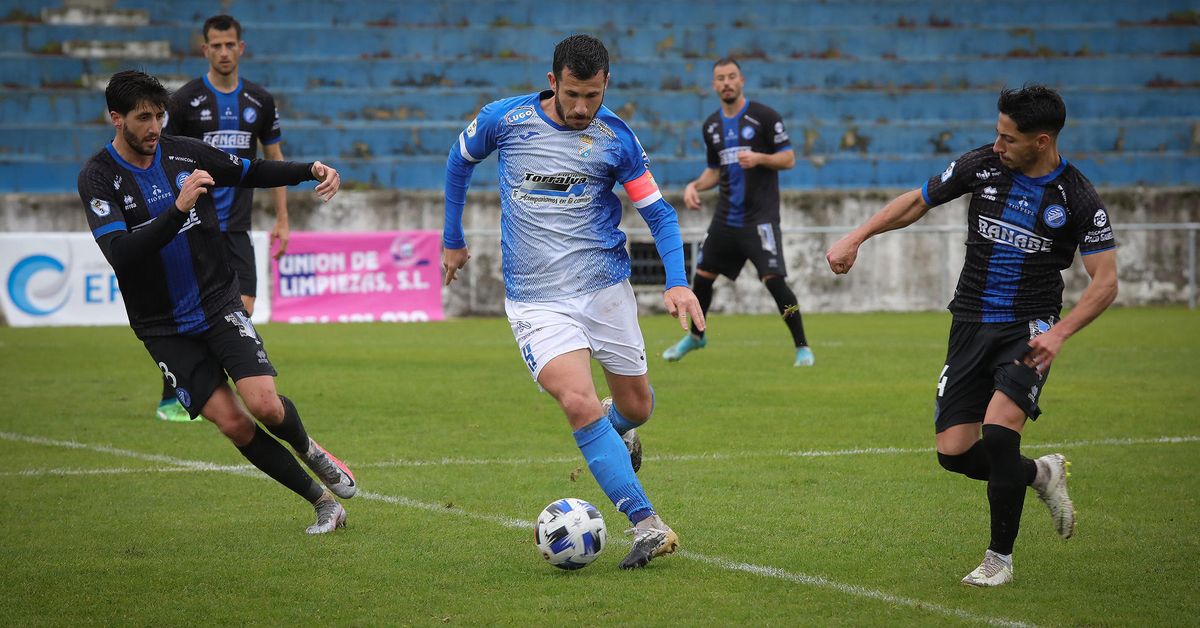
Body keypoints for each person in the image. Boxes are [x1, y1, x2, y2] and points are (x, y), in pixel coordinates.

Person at [826, 84, 1119, 586]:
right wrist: (856, 237)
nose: (998, 145)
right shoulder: (982, 165)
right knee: (953, 452)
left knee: (1000, 434)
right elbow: (916, 202)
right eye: (997, 134)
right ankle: (1039, 475)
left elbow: (1106, 282)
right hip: (968, 323)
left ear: (1042, 140)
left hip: (1029, 329)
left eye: (1008, 138)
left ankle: (998, 559)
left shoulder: (1077, 198)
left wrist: (1061, 333)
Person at [441, 35, 704, 569]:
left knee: (638, 408)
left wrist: (677, 281)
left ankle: (617, 430)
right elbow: (458, 161)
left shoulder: (617, 139)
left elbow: (661, 215)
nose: (583, 107)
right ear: (552, 80)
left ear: (606, 83)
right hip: (536, 301)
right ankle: (647, 523)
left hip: (605, 289)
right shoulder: (504, 120)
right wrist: (452, 237)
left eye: (593, 95)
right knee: (578, 402)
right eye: (573, 95)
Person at [79, 70, 355, 535]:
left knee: (265, 406)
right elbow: (121, 254)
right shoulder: (98, 178)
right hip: (163, 326)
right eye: (143, 118)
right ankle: (323, 503)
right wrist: (178, 209)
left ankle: (310, 450)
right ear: (116, 118)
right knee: (232, 423)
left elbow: (249, 170)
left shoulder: (185, 152)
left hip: (216, 301)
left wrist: (310, 170)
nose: (154, 127)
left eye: (159, 115)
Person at [155, 14, 289, 422]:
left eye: (231, 44)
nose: (224, 52)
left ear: (241, 48)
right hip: (196, 227)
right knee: (199, 312)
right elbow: (161, 158)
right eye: (216, 45)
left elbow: (274, 159)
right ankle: (176, 392)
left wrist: (283, 218)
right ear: (205, 50)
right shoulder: (183, 101)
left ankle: (196, 390)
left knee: (241, 309)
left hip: (239, 227)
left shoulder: (260, 101)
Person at [663, 57, 812, 367]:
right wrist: (694, 186)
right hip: (725, 220)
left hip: (760, 219)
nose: (727, 83)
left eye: (732, 77)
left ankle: (802, 347)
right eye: (721, 78)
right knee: (701, 279)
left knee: (774, 280)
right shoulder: (712, 127)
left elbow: (788, 159)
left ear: (741, 80)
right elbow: (714, 171)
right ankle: (696, 336)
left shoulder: (765, 117)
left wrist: (760, 158)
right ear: (714, 85)